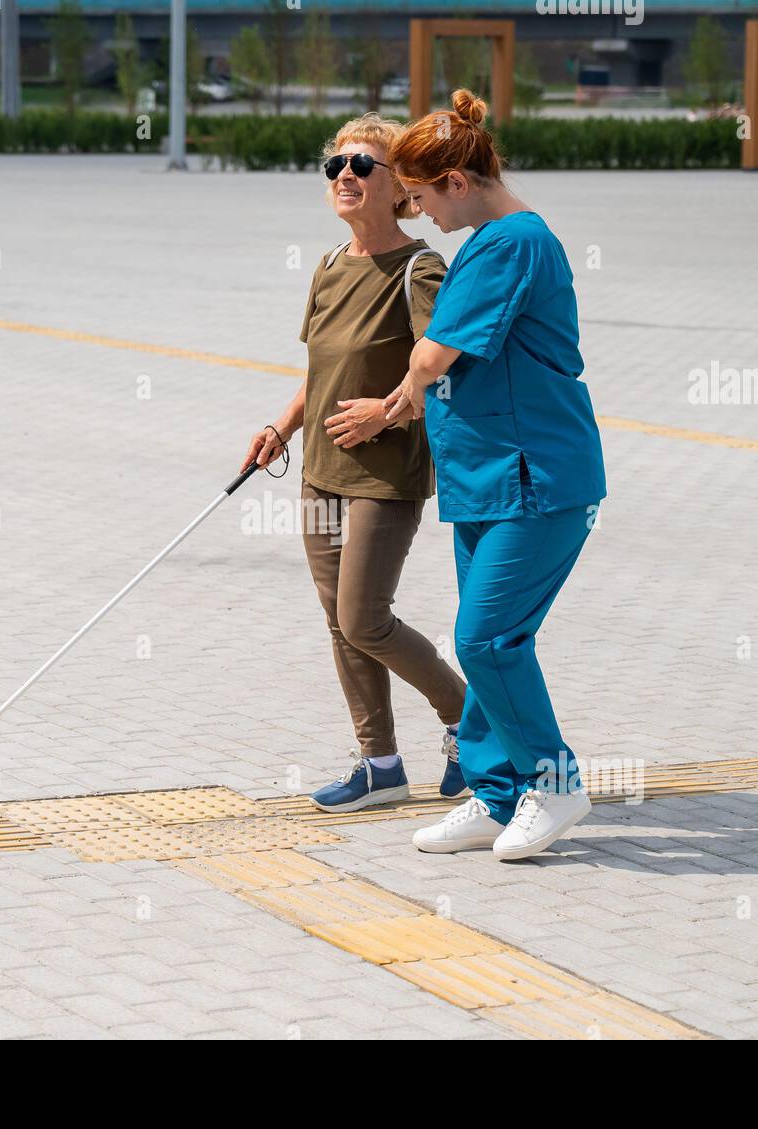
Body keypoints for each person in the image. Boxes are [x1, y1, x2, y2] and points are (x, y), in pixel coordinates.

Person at [383, 90, 607, 860]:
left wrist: (415, 374)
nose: (420, 216)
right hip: (487, 477)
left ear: (457, 180)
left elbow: (433, 354)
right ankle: (497, 793)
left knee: (486, 639)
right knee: (493, 637)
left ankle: (555, 783)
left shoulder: (512, 241)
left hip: (537, 478)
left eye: (419, 198)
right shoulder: (489, 238)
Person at [240, 112, 468, 814]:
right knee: (340, 622)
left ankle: (472, 721)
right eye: (336, 166)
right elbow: (321, 370)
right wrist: (279, 427)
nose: (345, 176)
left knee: (365, 617)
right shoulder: (331, 266)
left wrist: (385, 412)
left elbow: (442, 369)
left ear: (399, 183)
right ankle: (380, 763)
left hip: (385, 472)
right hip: (317, 471)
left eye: (362, 166)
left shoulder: (420, 268)